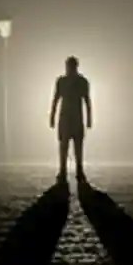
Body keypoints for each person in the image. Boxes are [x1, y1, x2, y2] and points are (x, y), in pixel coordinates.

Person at [49, 56, 92, 184]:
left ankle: (78, 170)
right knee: (64, 146)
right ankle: (63, 171)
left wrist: (89, 118)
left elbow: (87, 100)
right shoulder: (62, 81)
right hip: (66, 118)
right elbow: (56, 98)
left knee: (77, 147)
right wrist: (52, 115)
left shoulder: (82, 82)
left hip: (76, 118)